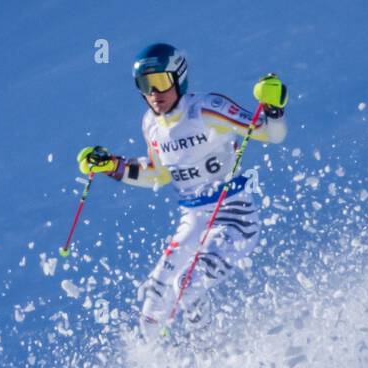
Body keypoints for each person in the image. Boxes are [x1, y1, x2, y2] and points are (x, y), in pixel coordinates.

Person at [76, 42, 289, 333]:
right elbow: (157, 174)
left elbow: (270, 134)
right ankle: (147, 365)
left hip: (233, 215)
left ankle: (208, 352)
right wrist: (112, 165)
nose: (153, 94)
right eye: (144, 85)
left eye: (160, 82)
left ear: (179, 77)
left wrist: (274, 107)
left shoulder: (207, 110)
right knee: (154, 294)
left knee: (185, 286)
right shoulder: (151, 125)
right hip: (193, 219)